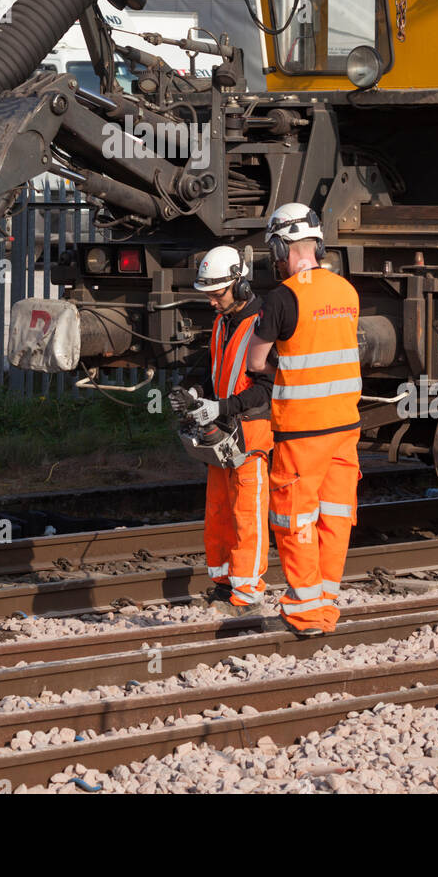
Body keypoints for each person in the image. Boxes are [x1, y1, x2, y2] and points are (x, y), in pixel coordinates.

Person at [246, 203, 362, 637]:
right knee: (335, 515)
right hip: (345, 427)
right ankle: (326, 602)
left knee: (294, 518)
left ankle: (306, 612)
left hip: (301, 431)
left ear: (281, 245)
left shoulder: (282, 298)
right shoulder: (346, 291)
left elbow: (258, 362)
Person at [170, 246, 273, 610]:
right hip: (222, 432)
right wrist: (193, 391)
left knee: (247, 514)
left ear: (241, 286)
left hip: (250, 431)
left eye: (218, 294)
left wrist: (221, 406)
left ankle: (246, 595)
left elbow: (267, 389)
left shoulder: (261, 325)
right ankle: (224, 585)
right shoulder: (223, 323)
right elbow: (212, 370)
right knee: (219, 512)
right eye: (209, 295)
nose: (213, 302)